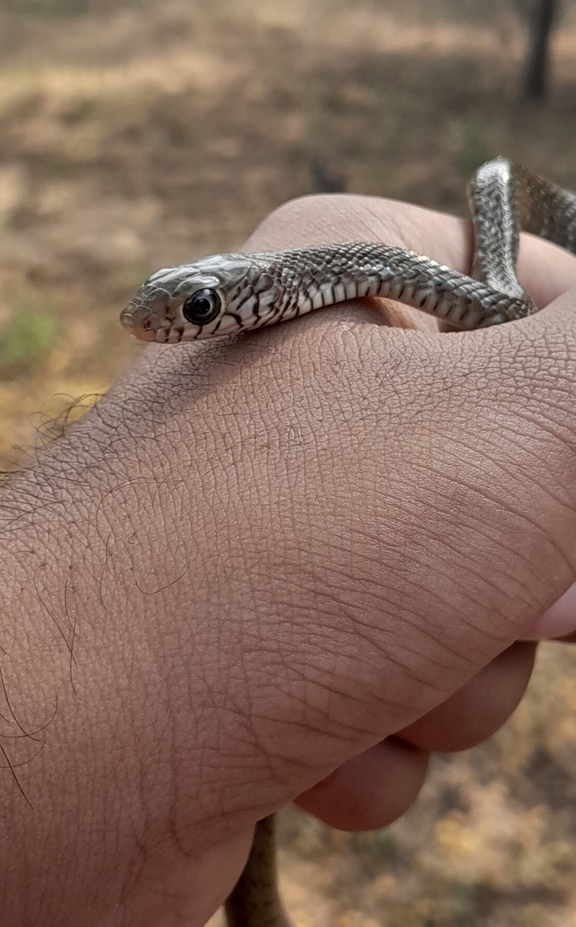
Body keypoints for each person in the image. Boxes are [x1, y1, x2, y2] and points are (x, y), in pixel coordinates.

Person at [1, 192, 576, 927]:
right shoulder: (334, 278)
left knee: (502, 190)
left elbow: (499, 305)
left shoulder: (391, 278)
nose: (157, 330)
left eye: (201, 309)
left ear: (272, 292)